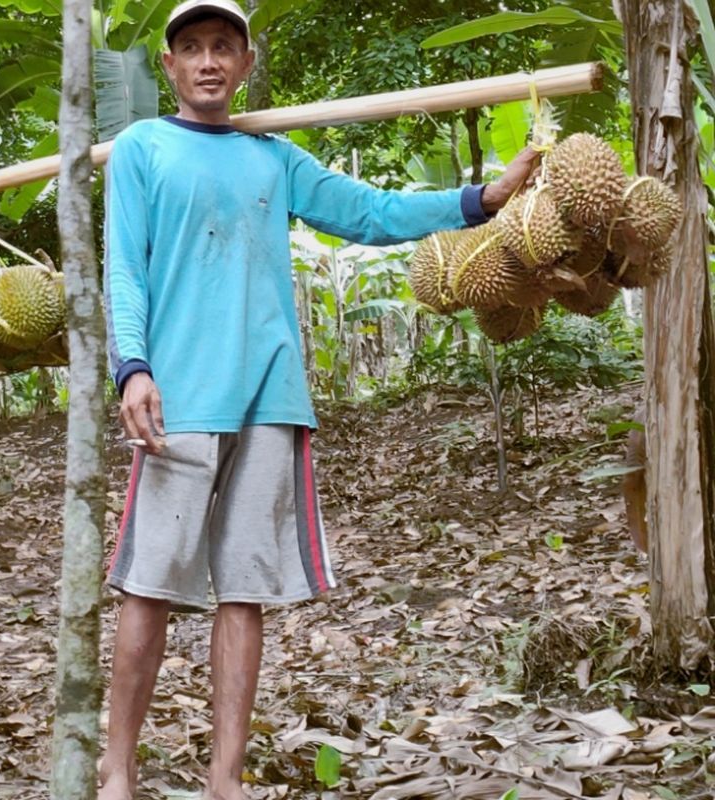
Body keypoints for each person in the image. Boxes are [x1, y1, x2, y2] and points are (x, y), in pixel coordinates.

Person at [98, 1, 538, 798]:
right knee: (150, 585)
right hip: (178, 397)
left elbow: (369, 212)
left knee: (245, 589)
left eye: (222, 48)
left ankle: (224, 779)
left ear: (246, 62)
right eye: (191, 48)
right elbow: (124, 267)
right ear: (168, 66)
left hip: (270, 396)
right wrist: (132, 367)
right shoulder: (141, 149)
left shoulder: (274, 156)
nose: (207, 61)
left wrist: (482, 200)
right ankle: (116, 770)